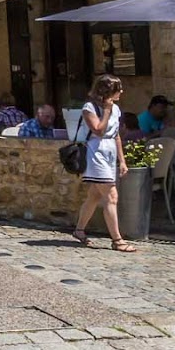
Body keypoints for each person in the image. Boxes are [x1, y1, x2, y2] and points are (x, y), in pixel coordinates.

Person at [73, 73, 137, 252]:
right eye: (118, 89)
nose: (121, 92)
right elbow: (99, 130)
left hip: (109, 154)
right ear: (108, 91)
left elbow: (115, 135)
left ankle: (79, 230)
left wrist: (122, 161)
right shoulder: (89, 108)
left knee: (94, 196)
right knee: (111, 196)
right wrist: (107, 111)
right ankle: (117, 240)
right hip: (96, 154)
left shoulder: (116, 109)